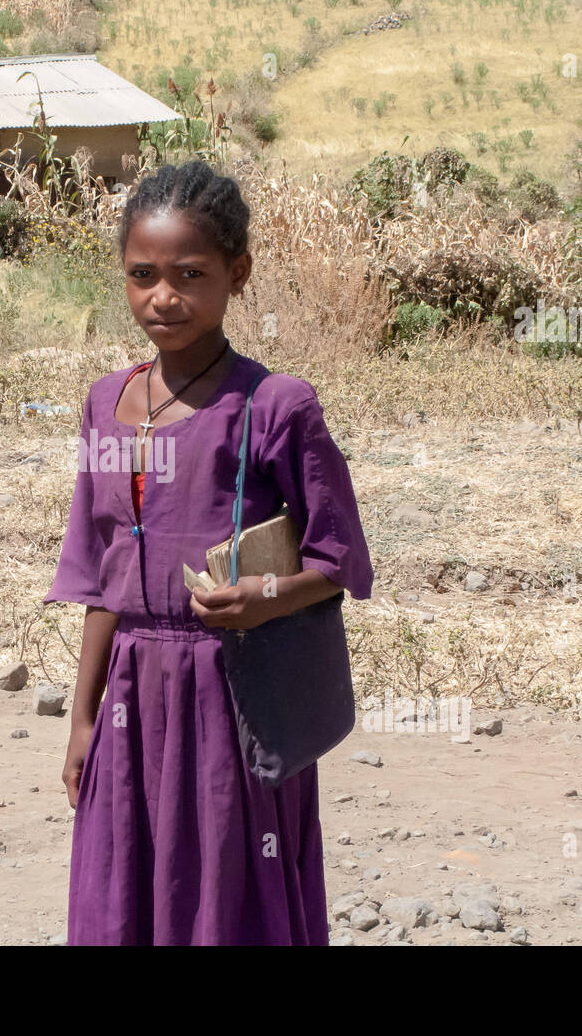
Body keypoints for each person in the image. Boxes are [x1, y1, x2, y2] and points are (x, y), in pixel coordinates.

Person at [43, 159, 374, 945]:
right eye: (142, 275)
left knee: (226, 888)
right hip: (131, 687)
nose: (165, 296)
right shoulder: (104, 402)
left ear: (238, 273)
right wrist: (83, 717)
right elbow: (101, 577)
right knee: (124, 881)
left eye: (191, 274)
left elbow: (339, 559)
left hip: (233, 694)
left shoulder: (275, 406)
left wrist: (262, 598)